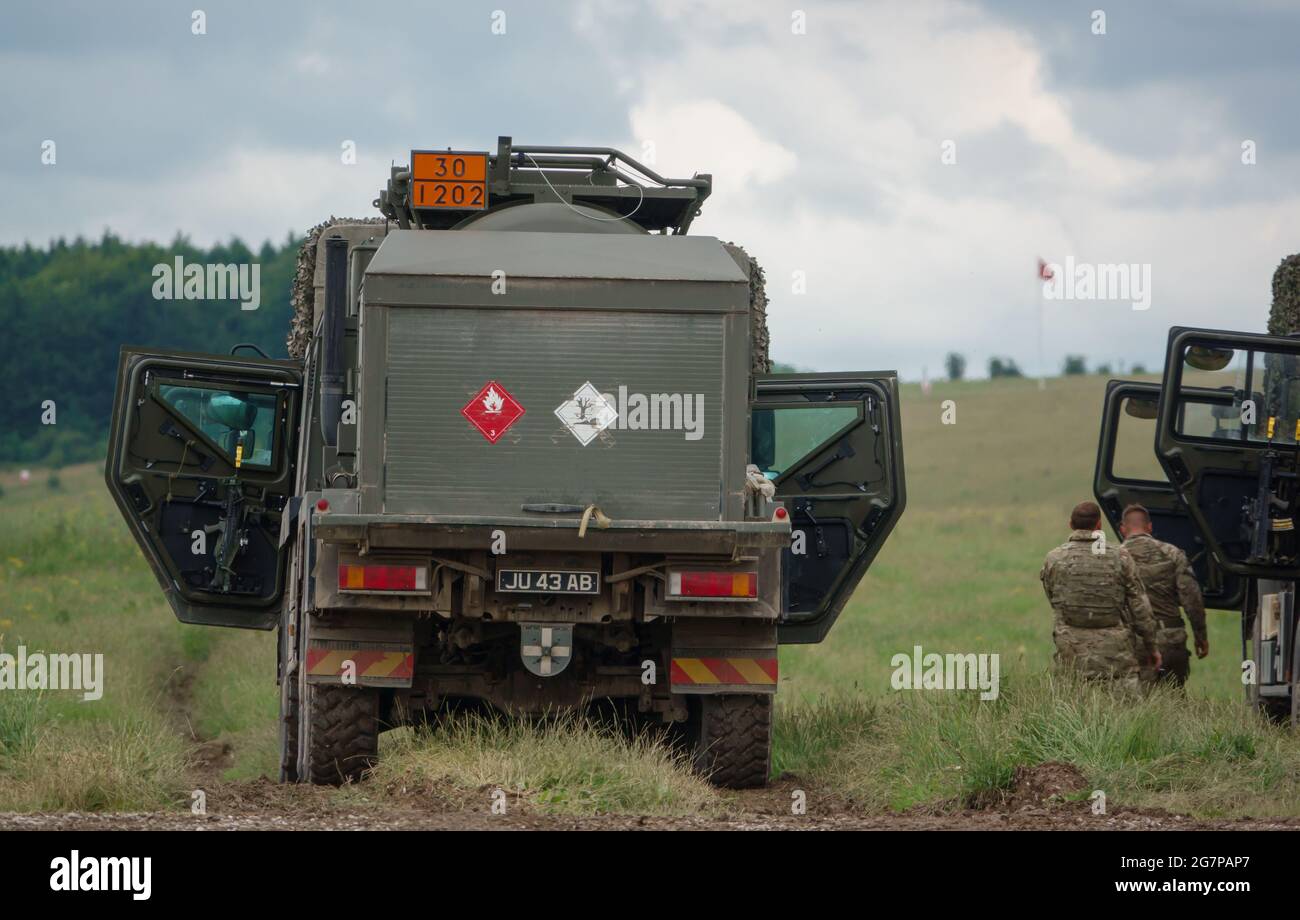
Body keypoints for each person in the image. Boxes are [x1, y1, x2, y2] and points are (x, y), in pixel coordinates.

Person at [1040, 501, 1160, 693]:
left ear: (1071, 524)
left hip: (1071, 650)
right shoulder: (1120, 556)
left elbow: (1053, 597)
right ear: (1099, 525)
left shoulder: (1054, 558)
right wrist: (1151, 646)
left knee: (1073, 705)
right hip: (1116, 652)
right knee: (1125, 710)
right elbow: (1140, 606)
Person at [1119, 503, 1208, 688]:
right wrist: (1201, 636)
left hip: (1133, 640)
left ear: (1122, 529)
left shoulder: (1115, 557)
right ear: (1150, 527)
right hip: (1171, 638)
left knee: (1134, 701)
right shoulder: (1172, 554)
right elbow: (1191, 599)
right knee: (1174, 696)